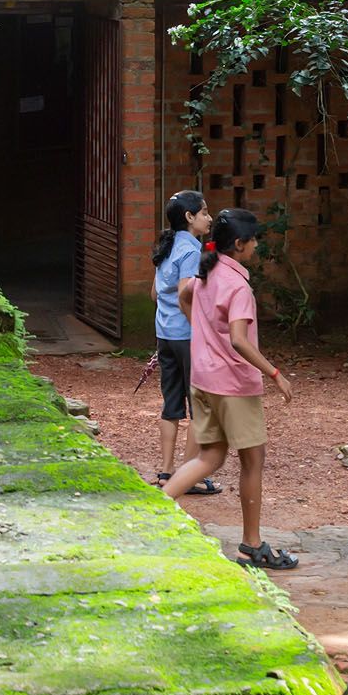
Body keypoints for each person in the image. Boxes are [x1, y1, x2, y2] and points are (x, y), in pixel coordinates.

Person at [164, 207, 297, 570]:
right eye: (253, 240)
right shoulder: (238, 285)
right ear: (239, 244)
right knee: (253, 462)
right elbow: (239, 340)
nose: (256, 246)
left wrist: (203, 337)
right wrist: (275, 374)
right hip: (234, 384)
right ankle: (251, 546)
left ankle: (156, 508)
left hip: (204, 380)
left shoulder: (207, 272)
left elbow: (184, 295)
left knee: (209, 457)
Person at [150, 190, 213, 491]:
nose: (209, 218)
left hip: (164, 334)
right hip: (187, 336)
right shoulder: (190, 250)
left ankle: (166, 471)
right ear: (189, 217)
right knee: (199, 406)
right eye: (203, 213)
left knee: (171, 404)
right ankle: (189, 477)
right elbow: (186, 293)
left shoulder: (166, 245)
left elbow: (154, 294)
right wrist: (201, 330)